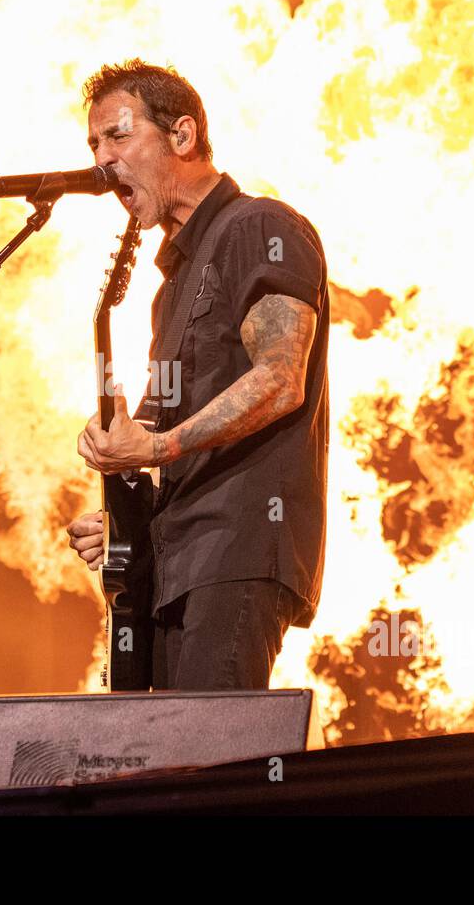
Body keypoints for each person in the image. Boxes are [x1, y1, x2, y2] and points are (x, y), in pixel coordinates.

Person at [66, 59, 329, 691]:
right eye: (94, 145)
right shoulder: (172, 286)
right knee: (159, 774)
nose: (103, 161)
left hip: (235, 550)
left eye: (118, 137)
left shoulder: (261, 227)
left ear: (182, 135)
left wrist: (155, 445)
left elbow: (280, 378)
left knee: (212, 770)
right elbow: (166, 439)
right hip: (173, 563)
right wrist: (128, 518)